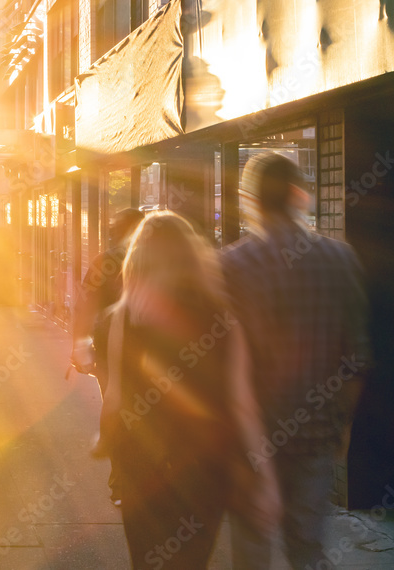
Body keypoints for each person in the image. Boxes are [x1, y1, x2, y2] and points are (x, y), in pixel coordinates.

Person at [223, 153, 371, 570]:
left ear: (250, 200)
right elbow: (357, 358)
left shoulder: (232, 264)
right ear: (298, 196)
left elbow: (224, 366)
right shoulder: (342, 260)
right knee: (307, 551)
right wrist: (341, 427)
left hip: (251, 443)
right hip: (316, 436)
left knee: (252, 554)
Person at [99, 212, 250, 569]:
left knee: (146, 561)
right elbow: (240, 401)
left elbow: (115, 398)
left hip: (140, 466)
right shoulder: (220, 316)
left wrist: (108, 448)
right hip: (203, 468)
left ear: (138, 261)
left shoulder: (125, 317)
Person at [73, 208, 144, 506]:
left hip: (108, 352)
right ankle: (141, 480)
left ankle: (121, 483)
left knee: (115, 410)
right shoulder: (152, 262)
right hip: (147, 354)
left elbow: (86, 304)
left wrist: (79, 346)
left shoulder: (105, 261)